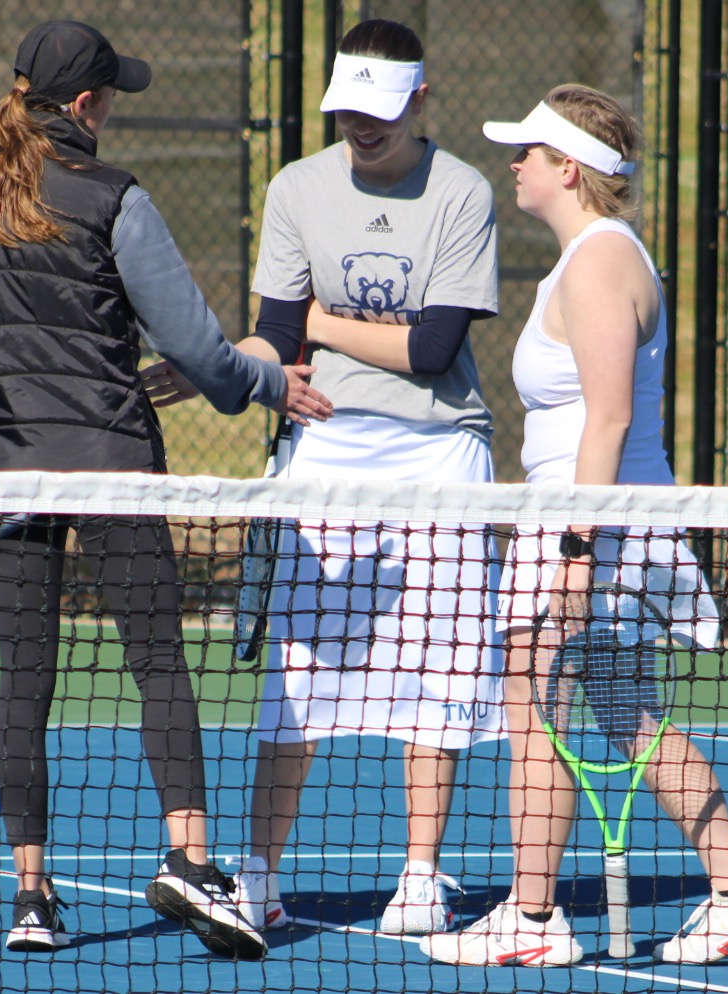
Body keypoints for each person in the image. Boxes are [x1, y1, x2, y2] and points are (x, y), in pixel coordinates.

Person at [0, 20, 331, 960]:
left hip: (8, 464)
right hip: (113, 461)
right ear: (87, 105)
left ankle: (32, 898)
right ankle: (190, 860)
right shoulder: (116, 197)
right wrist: (268, 384)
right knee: (157, 662)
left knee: (24, 680)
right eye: (112, 95)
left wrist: (0, 413)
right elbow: (194, 347)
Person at [425, 85, 728, 967]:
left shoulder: (599, 262)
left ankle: (529, 923)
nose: (512, 162)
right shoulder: (591, 258)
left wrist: (575, 552)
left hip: (590, 529)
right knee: (626, 713)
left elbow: (607, 419)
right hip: (597, 527)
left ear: (569, 168)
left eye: (527, 151)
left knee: (534, 714)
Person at [231, 18, 503, 937]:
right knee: (297, 672)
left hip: (439, 452)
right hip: (329, 449)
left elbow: (432, 350)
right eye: (347, 110)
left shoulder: (463, 192)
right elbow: (273, 332)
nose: (361, 126)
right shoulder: (296, 188)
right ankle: (257, 876)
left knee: (438, 665)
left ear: (420, 100)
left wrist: (314, 319)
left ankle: (421, 877)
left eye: (379, 110)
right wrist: (240, 362)